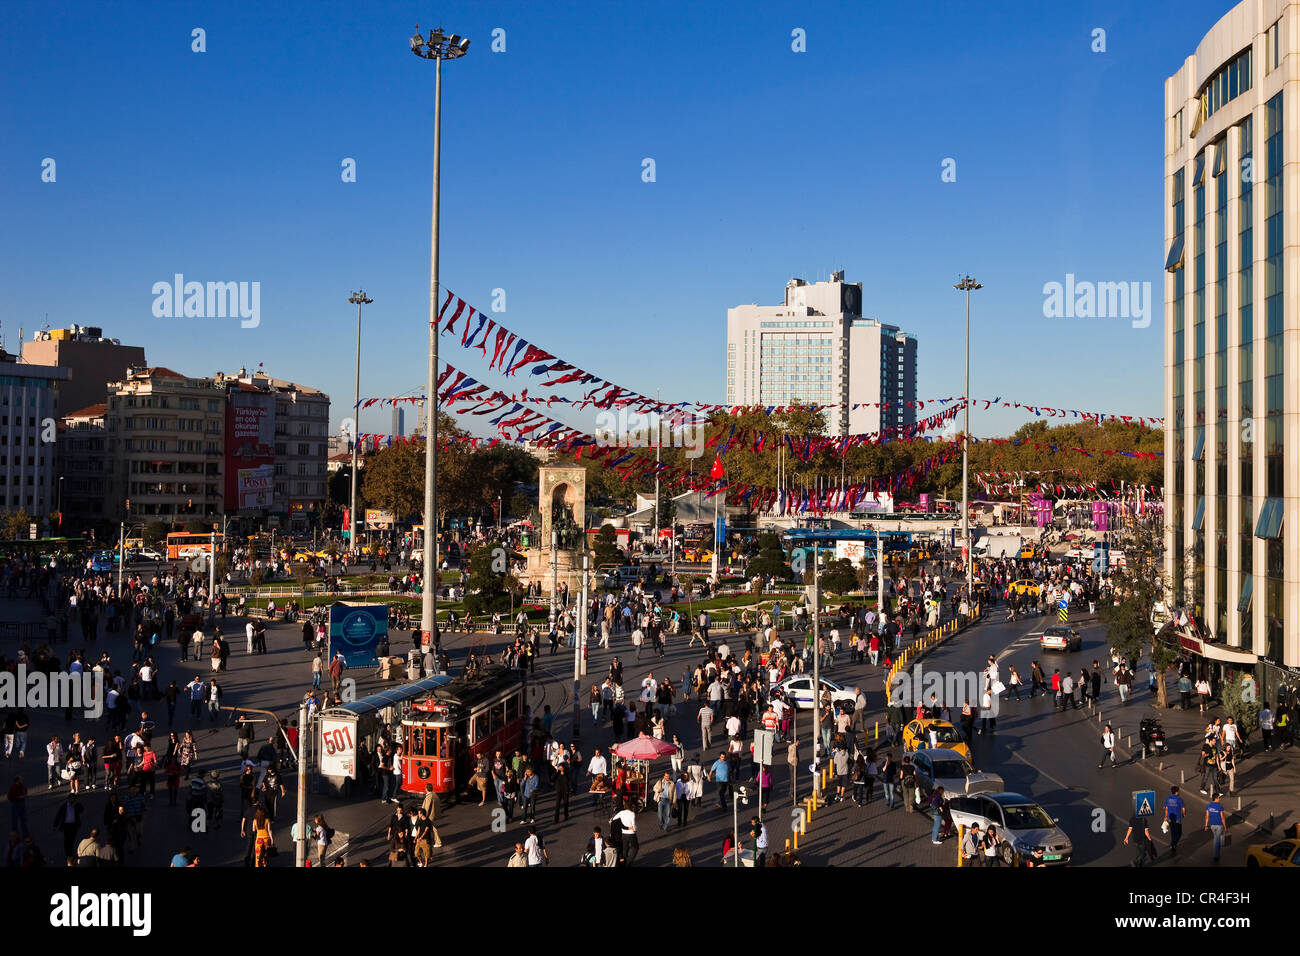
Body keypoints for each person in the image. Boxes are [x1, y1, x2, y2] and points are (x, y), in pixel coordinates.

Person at [1204, 797, 1228, 863]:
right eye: (1219, 798)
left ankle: (1217, 852)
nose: (1219, 799)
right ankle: (1216, 855)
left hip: (1212, 826)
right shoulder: (1220, 807)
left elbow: (1207, 816)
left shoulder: (1208, 806)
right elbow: (1222, 817)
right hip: (1219, 825)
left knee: (1216, 838)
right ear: (1216, 798)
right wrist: (1225, 827)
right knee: (1216, 840)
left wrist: (1206, 825)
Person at [1164, 786, 1186, 856]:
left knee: (1173, 833)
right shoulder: (1179, 799)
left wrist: (1165, 817)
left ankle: (1173, 844)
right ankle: (1174, 843)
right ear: (1176, 792)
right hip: (1177, 819)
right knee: (1179, 833)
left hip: (1170, 818)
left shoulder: (1168, 798)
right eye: (1178, 791)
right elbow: (1183, 808)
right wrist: (1183, 814)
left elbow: (1166, 809)